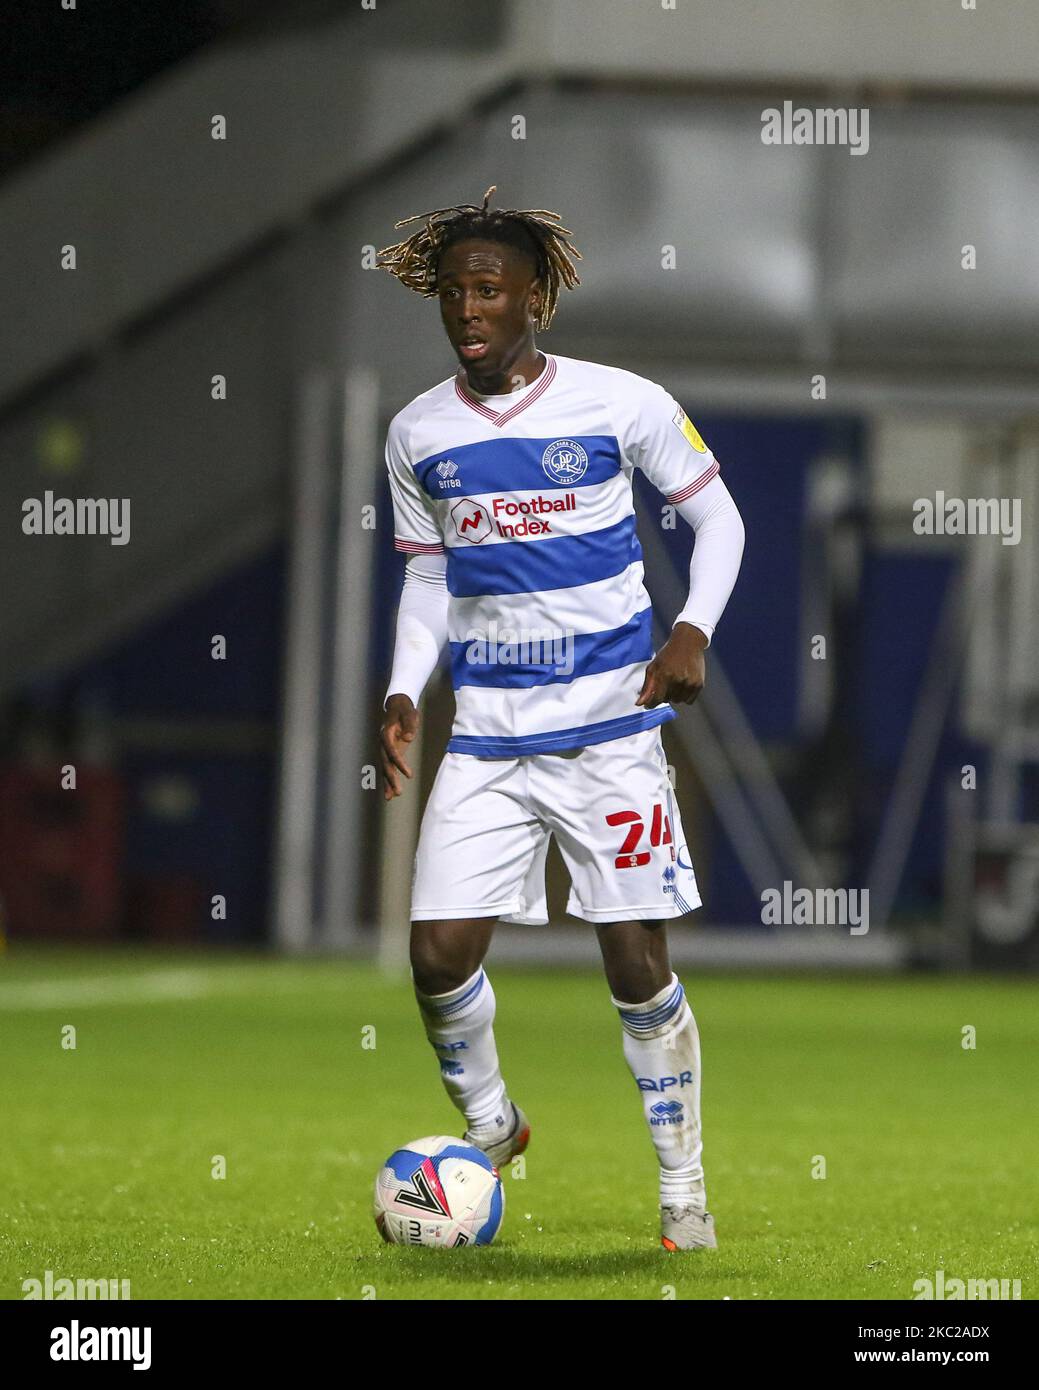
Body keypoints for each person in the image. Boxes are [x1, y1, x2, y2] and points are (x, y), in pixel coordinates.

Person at [377, 187, 744, 1250]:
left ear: (537, 296)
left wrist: (692, 630)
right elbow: (428, 579)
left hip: (608, 731)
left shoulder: (620, 403)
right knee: (436, 955)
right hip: (487, 735)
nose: (467, 310)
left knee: (635, 964)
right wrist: (407, 684)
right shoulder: (417, 432)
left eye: (488, 290)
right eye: (452, 294)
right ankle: (492, 1128)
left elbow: (716, 518)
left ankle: (683, 1193)